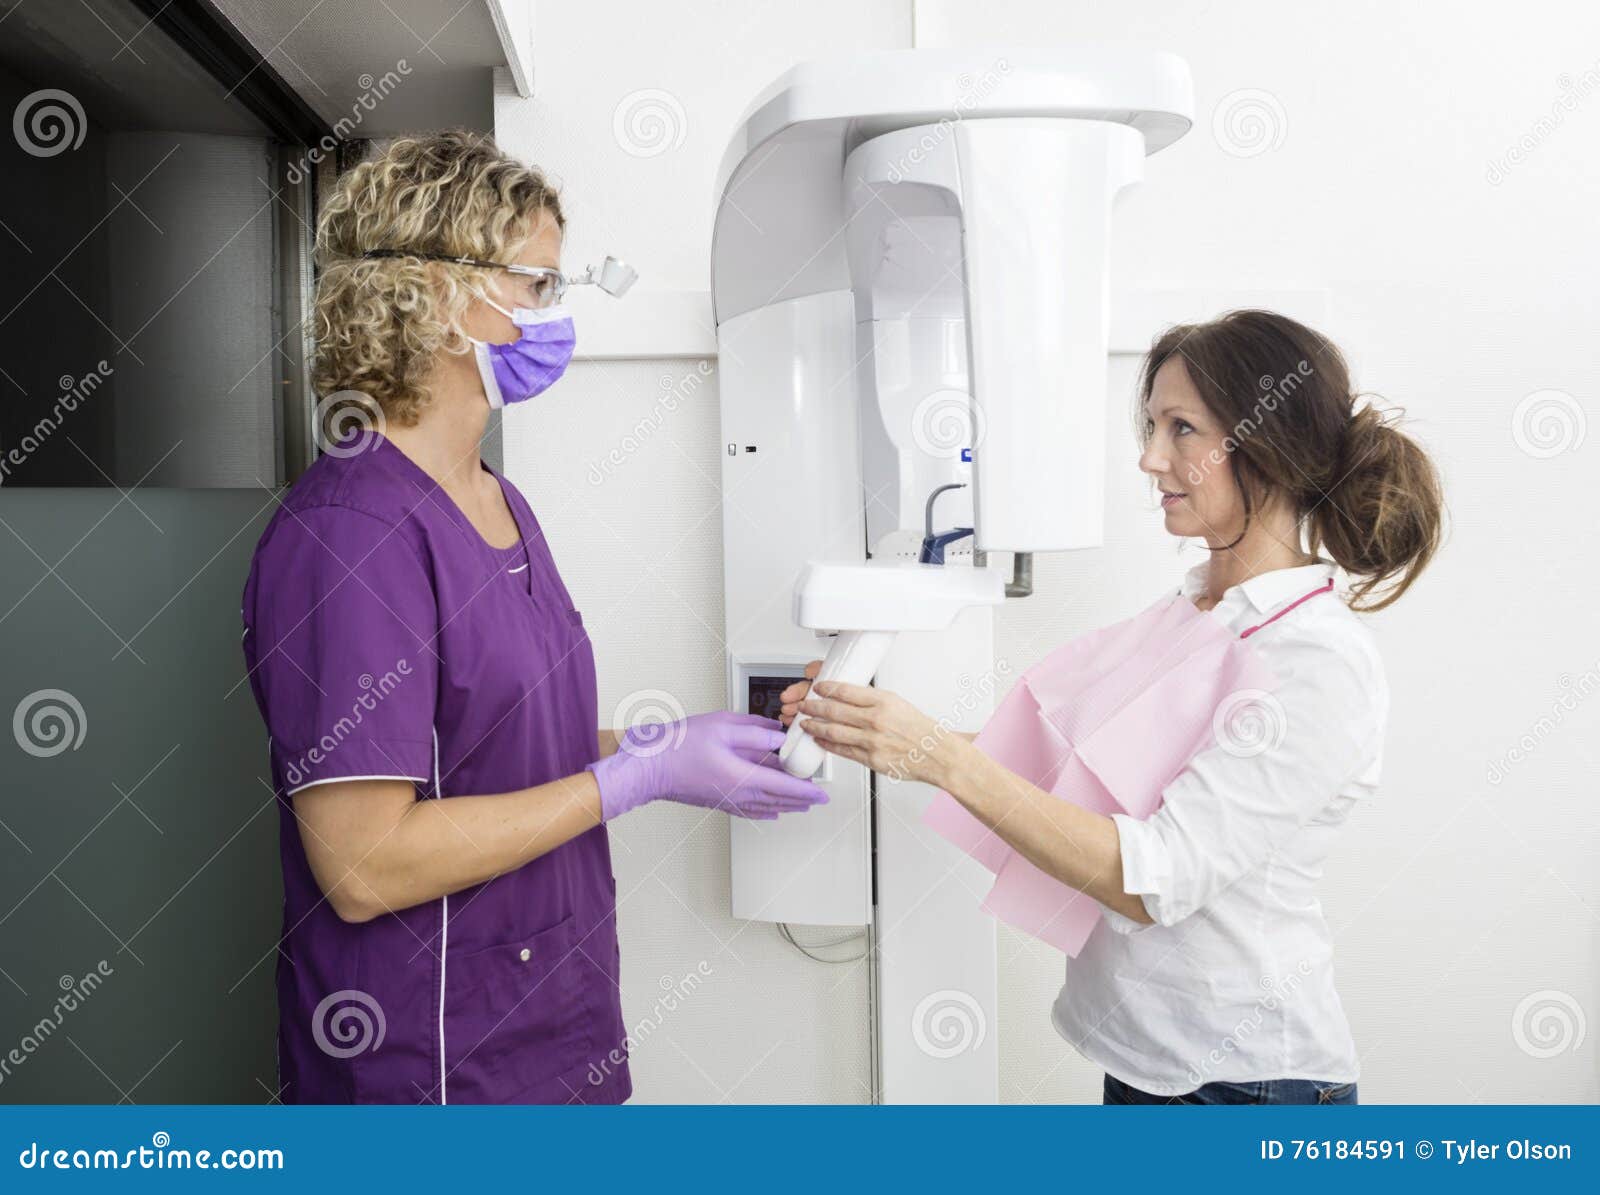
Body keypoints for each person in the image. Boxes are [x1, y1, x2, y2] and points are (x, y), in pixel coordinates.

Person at [240, 130, 825, 1105]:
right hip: (427, 1063)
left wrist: (667, 746)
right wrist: (628, 780)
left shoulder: (498, 502)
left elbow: (500, 743)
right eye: (538, 285)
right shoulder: (349, 537)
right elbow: (365, 863)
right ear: (431, 291)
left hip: (553, 1030)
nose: (556, 316)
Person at [781, 310, 1443, 1105]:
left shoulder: (1315, 662)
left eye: (1181, 429)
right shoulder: (1196, 605)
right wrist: (878, 727)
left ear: (1270, 446)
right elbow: (1077, 769)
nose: (1150, 457)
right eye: (1152, 426)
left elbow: (1155, 877)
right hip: (1150, 1062)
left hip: (1245, 1083)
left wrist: (936, 755)